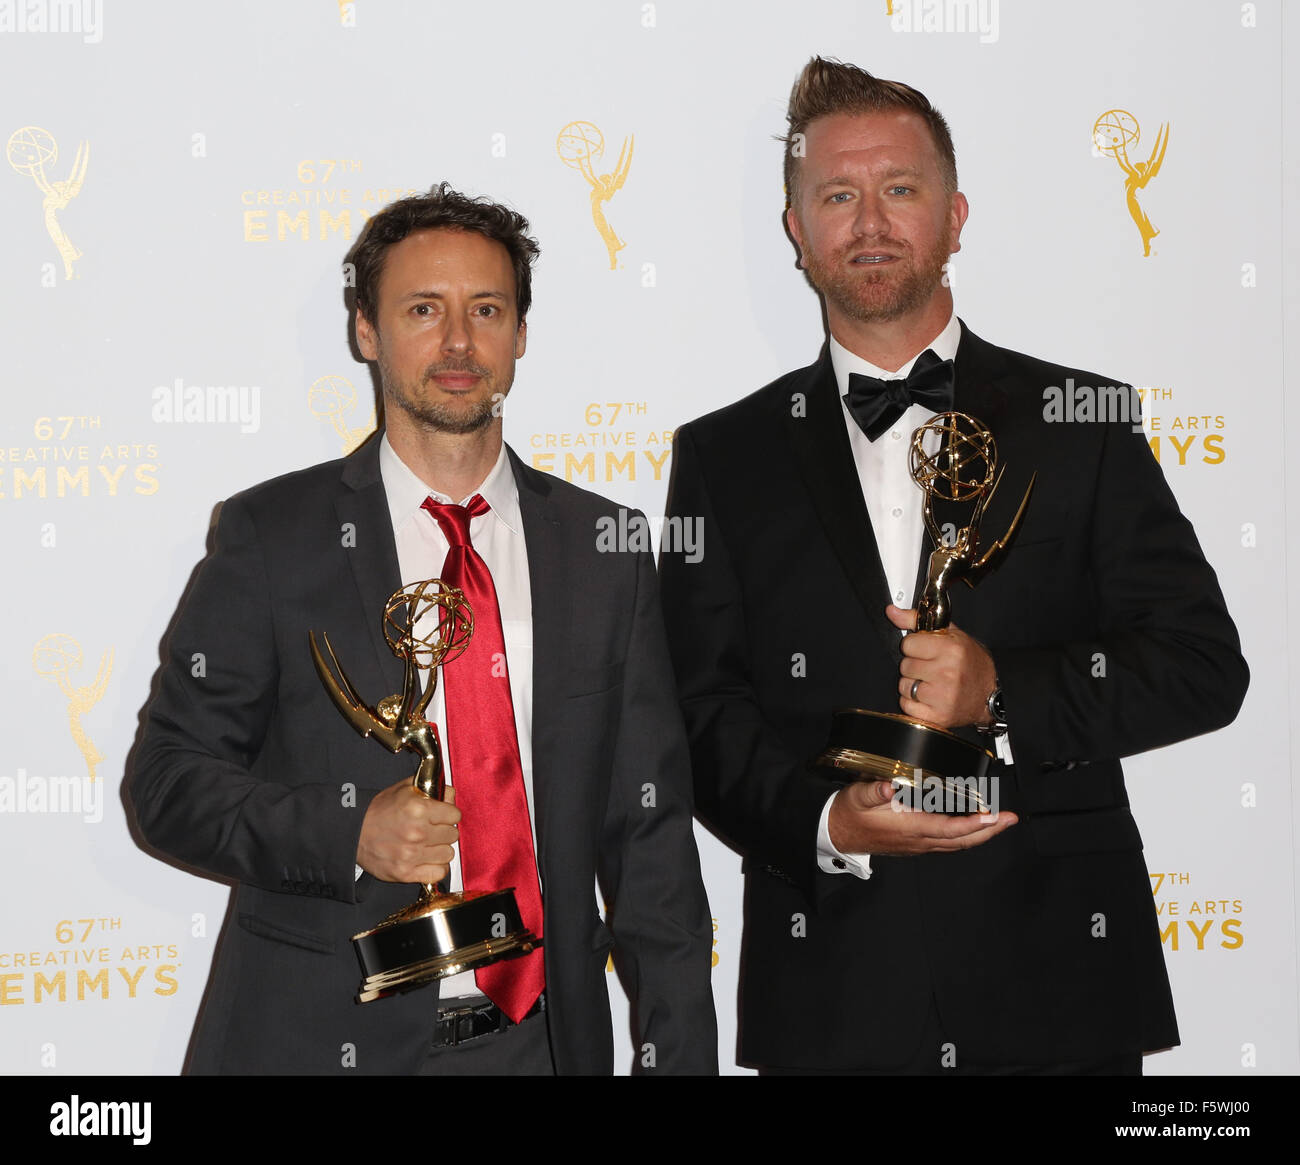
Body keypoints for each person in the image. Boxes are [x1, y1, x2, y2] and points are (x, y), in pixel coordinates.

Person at [657, 58, 1247, 1075]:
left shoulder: (1082, 420)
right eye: (836, 195)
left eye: (901, 189)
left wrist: (1003, 695)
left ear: (956, 214)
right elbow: (699, 716)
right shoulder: (722, 456)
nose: (870, 222)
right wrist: (828, 819)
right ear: (796, 231)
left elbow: (1201, 665)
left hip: (1058, 981)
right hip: (833, 989)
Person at [127, 184, 717, 1075]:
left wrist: (677, 1058)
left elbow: (651, 843)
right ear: (366, 330)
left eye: (486, 309)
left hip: (539, 1047)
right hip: (319, 1044)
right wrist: (348, 829)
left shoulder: (608, 548)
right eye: (421, 310)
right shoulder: (272, 538)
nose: (456, 342)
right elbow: (165, 783)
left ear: (520, 334)